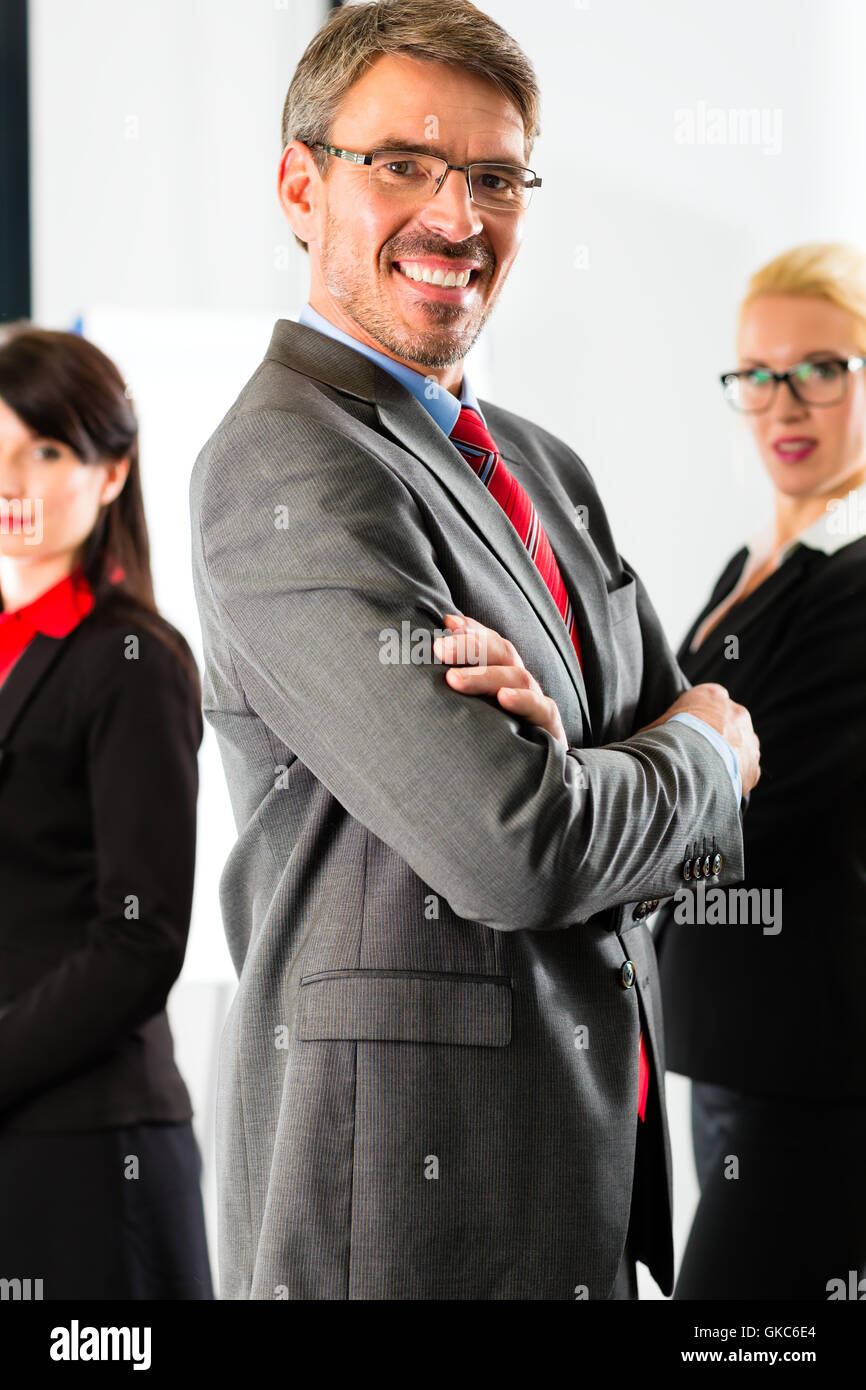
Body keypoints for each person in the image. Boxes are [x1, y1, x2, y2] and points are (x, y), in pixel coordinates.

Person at [190, 0, 759, 1300]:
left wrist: (619, 765)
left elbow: (712, 840)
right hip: (398, 1206)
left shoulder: (544, 468)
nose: (458, 218)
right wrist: (688, 750)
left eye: (494, 176)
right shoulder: (287, 458)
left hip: (588, 1174)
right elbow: (520, 846)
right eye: (402, 163)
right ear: (299, 184)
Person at [656, 241, 866, 1300]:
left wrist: (601, 798)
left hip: (819, 1070)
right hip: (732, 1049)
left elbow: (762, 796)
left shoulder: (856, 571)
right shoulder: (749, 567)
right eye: (757, 374)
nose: (782, 403)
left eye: (820, 367)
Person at [0, 325, 213, 1300]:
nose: (15, 480)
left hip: (89, 1146)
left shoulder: (132, 663)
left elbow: (140, 941)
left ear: (112, 470)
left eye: (46, 449)